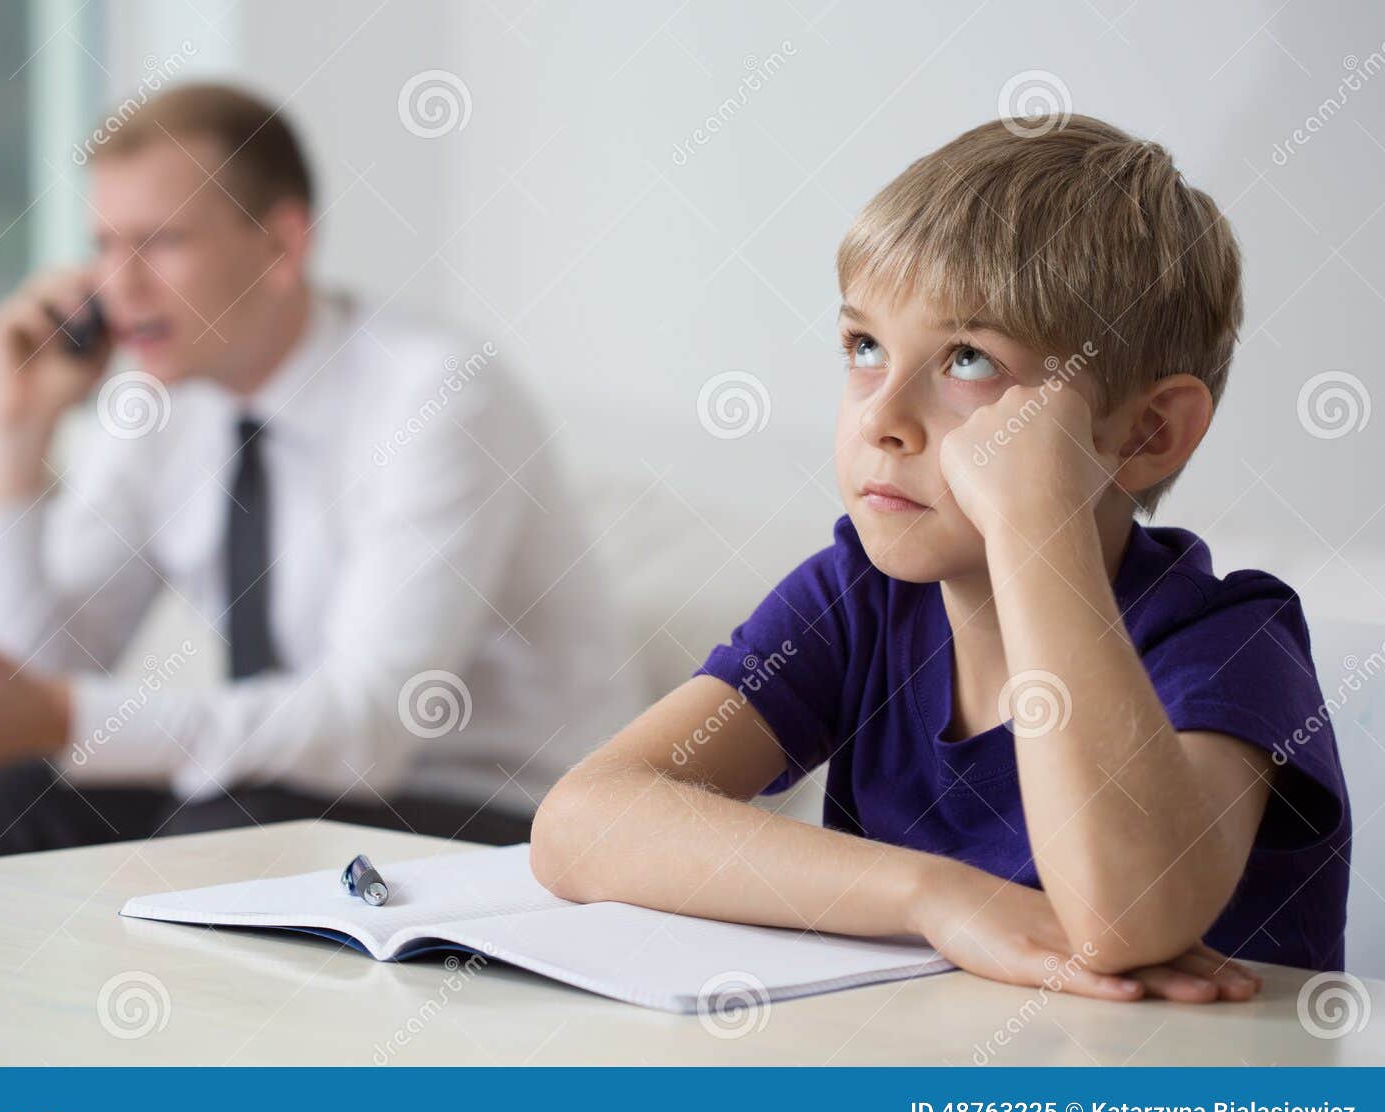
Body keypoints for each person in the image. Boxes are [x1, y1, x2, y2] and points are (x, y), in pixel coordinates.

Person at [530, 114, 1350, 1003]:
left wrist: (1036, 529)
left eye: (967, 358)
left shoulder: (1228, 643)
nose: (882, 414)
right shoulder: (860, 598)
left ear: (1146, 432)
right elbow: (581, 822)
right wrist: (934, 895)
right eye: (865, 347)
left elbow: (1126, 918)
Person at [0, 83, 635, 860]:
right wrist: (18, 433)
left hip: (503, 802)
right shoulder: (160, 404)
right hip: (287, 786)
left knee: (224, 832)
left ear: (282, 246)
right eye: (104, 245)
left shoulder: (441, 396)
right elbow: (2, 698)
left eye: (161, 241)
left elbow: (367, 732)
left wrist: (71, 717)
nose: (119, 286)